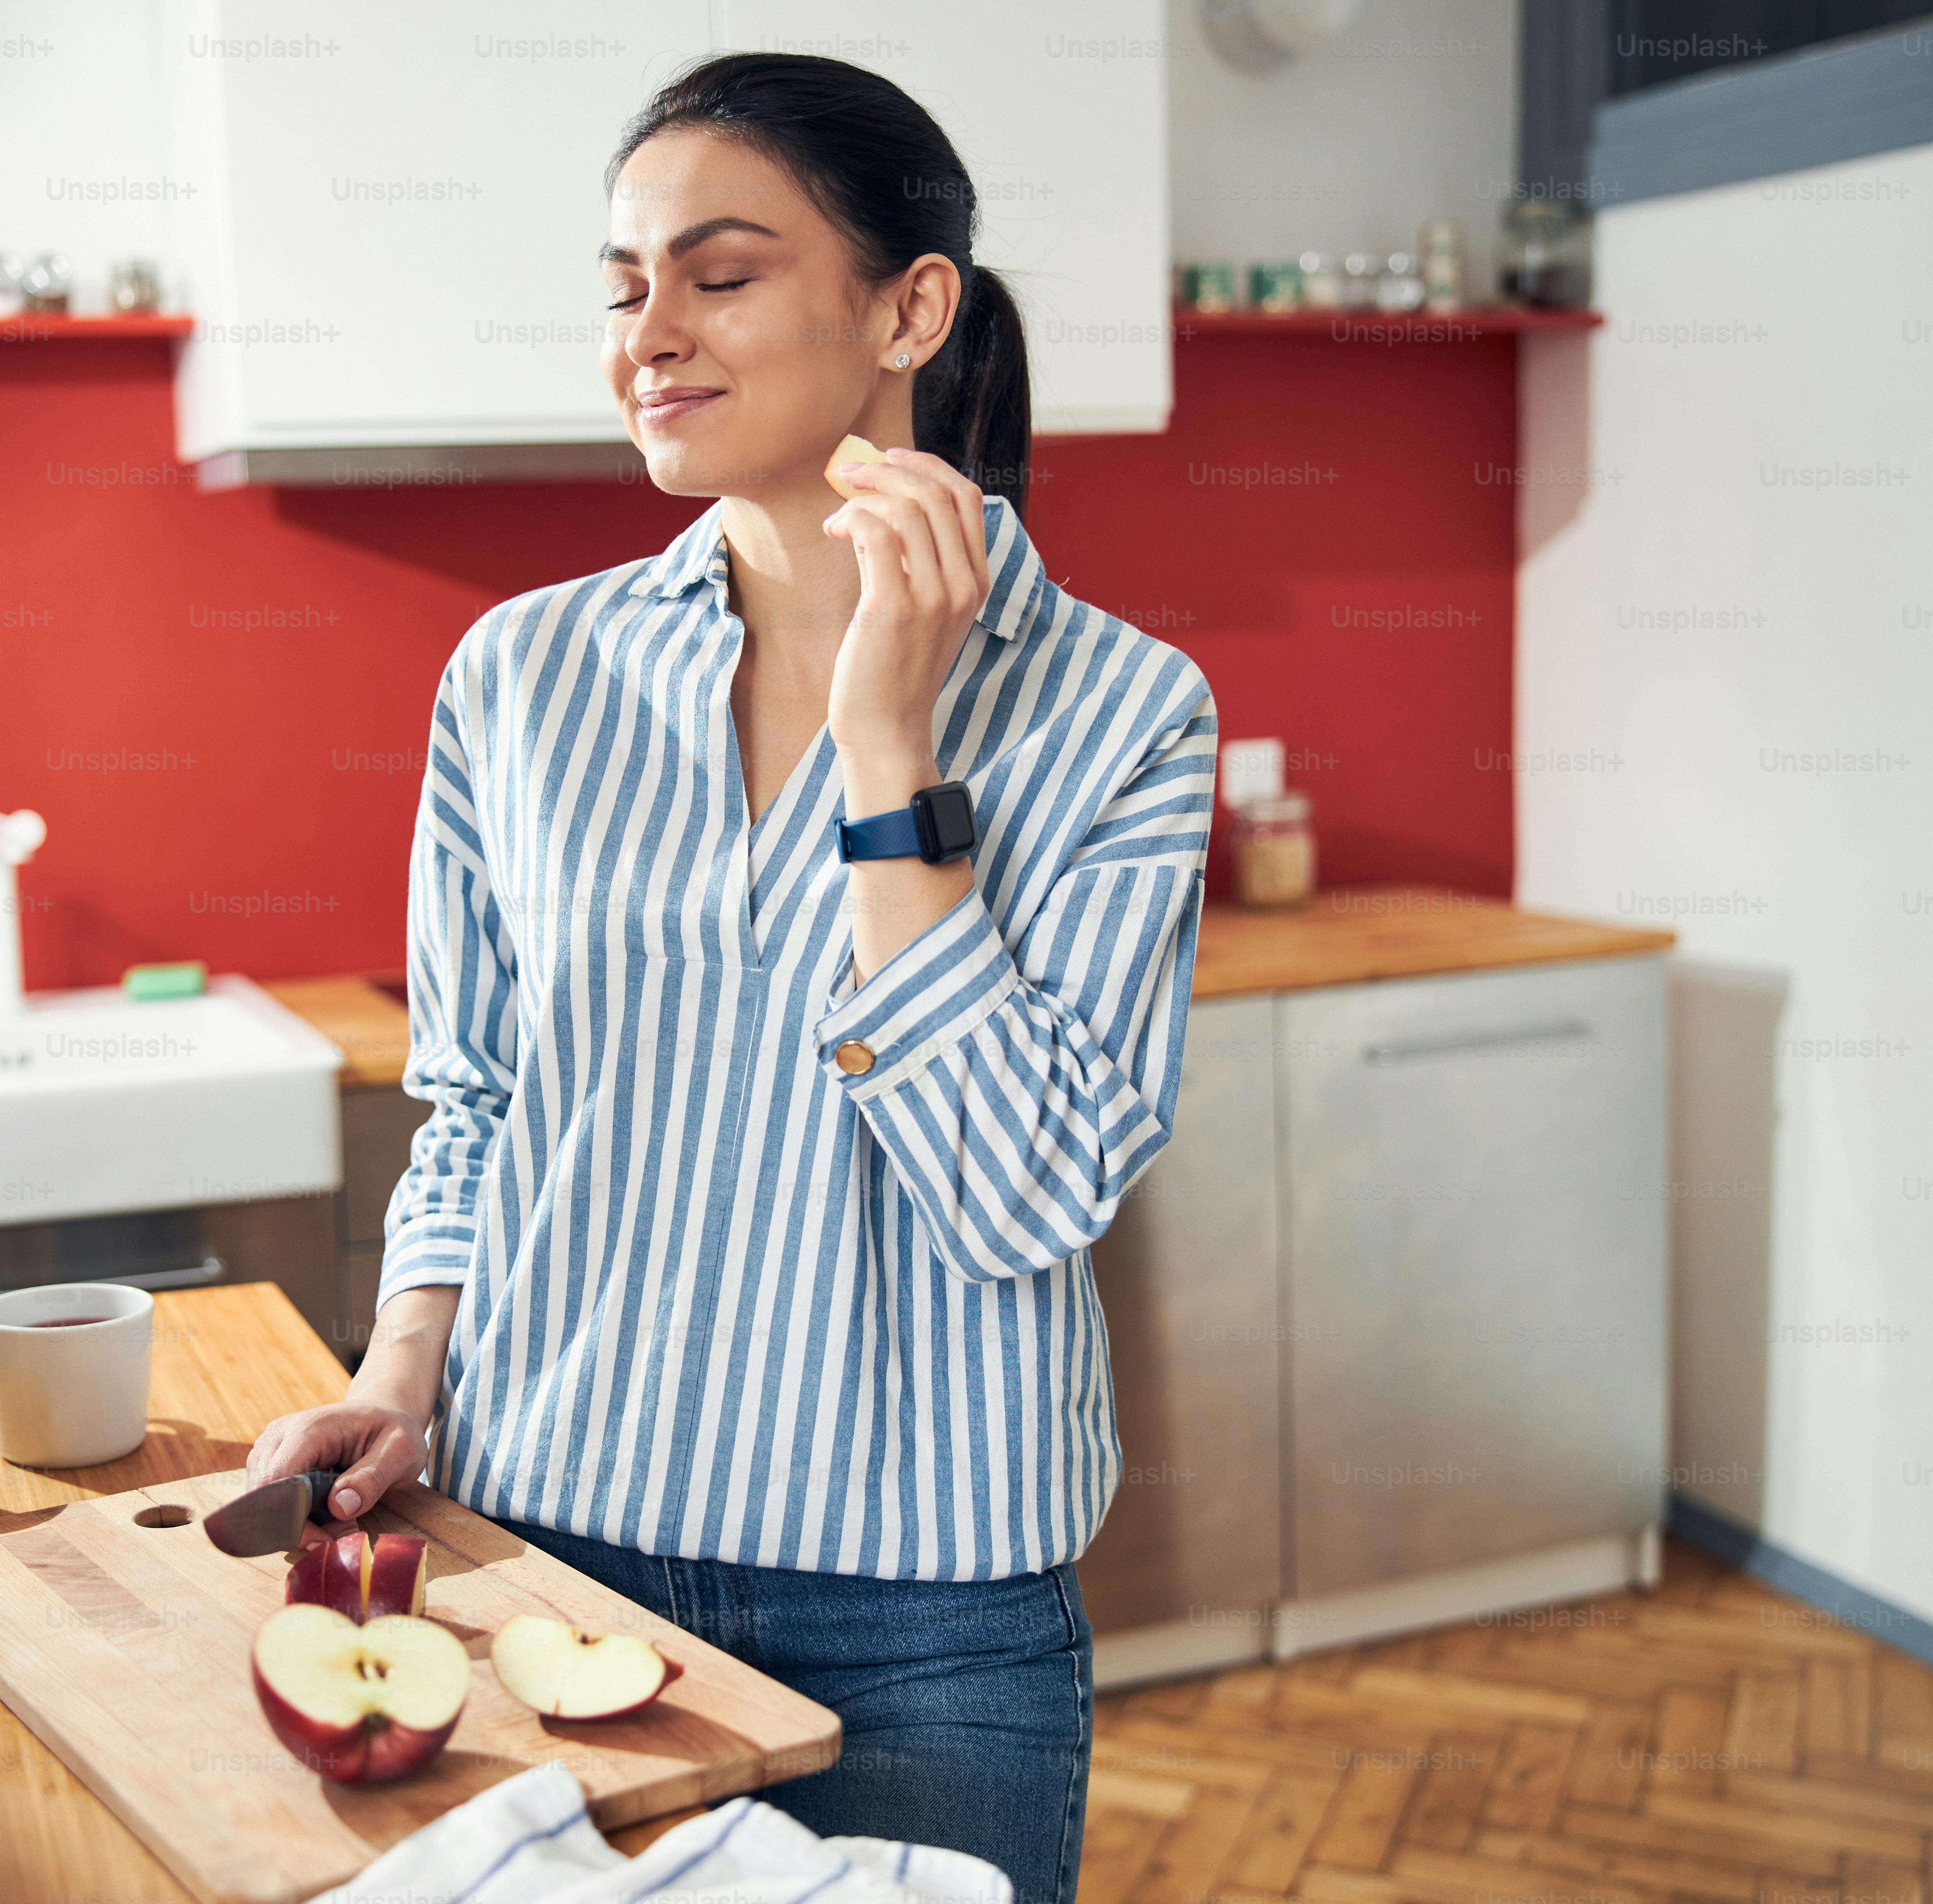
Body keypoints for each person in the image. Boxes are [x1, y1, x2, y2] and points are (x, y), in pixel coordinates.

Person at [246, 52, 1216, 1903]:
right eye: (624, 286)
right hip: (543, 1553)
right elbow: (481, 1098)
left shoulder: (1124, 709)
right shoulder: (522, 677)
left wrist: (886, 756)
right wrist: (402, 1367)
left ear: (904, 308)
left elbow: (1027, 1194)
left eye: (719, 271)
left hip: (928, 1617)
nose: (649, 335)